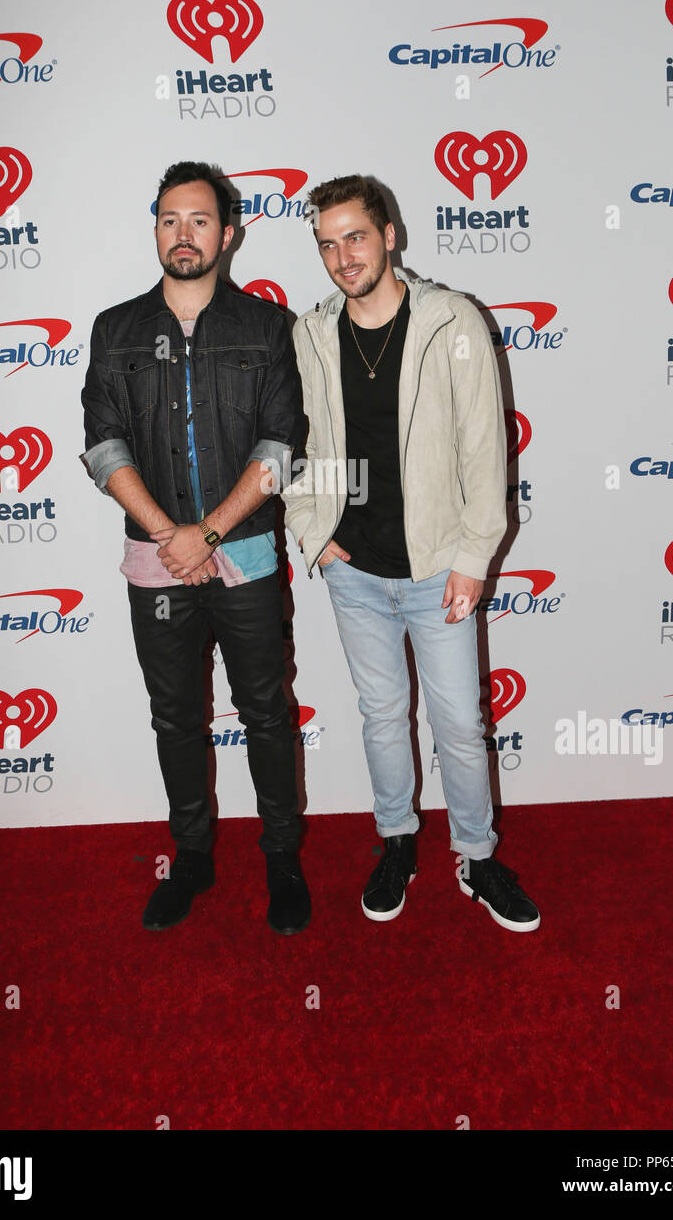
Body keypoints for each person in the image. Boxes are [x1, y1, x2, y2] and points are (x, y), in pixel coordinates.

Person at [283, 175, 539, 931]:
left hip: (437, 570)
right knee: (382, 715)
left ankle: (477, 855)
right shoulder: (311, 334)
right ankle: (397, 841)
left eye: (354, 236)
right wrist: (315, 535)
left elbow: (484, 451)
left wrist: (473, 557)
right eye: (327, 243)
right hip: (354, 571)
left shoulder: (451, 320)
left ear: (389, 234)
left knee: (460, 723)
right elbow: (299, 448)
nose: (342, 256)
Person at [80, 160, 311, 935]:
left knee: (266, 713)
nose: (185, 234)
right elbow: (104, 446)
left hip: (243, 554)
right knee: (176, 718)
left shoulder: (267, 328)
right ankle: (193, 858)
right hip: (156, 563)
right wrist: (168, 537)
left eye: (201, 220)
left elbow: (281, 447)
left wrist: (204, 534)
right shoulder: (115, 330)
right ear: (155, 229)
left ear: (230, 233)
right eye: (171, 219)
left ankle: (282, 856)